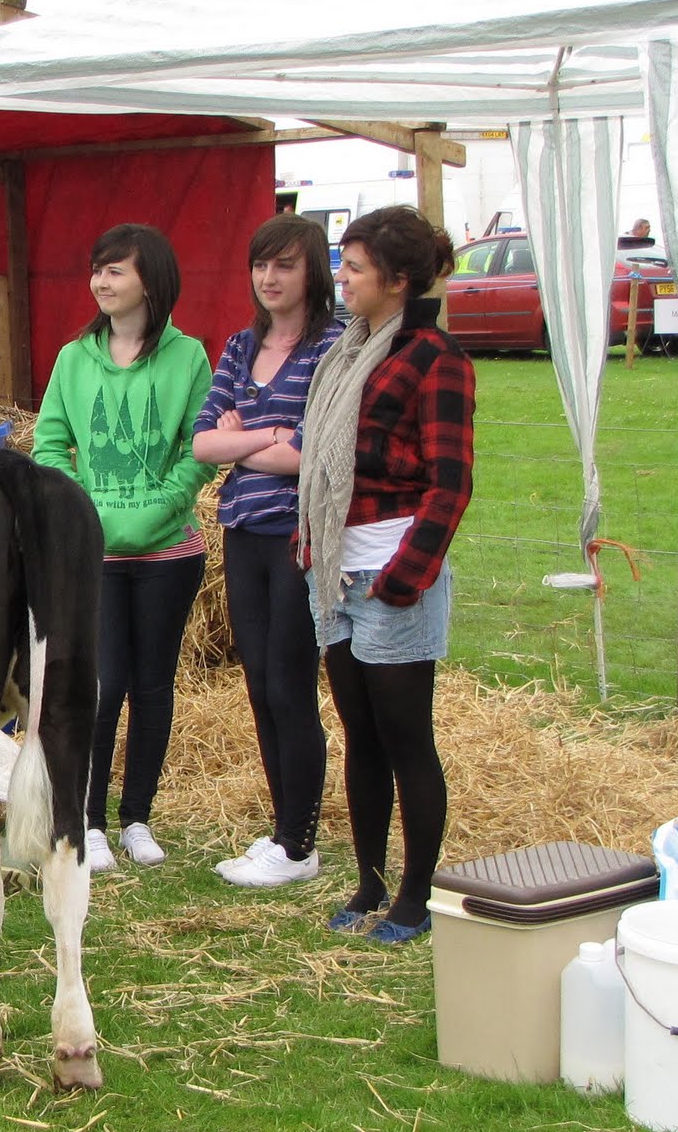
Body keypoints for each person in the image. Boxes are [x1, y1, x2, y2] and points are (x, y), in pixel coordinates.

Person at [295, 206, 473, 944]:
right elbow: (322, 463)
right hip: (336, 572)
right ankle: (368, 879)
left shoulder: (436, 360)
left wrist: (405, 577)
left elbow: (450, 483)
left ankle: (415, 895)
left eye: (356, 268)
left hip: (393, 575)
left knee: (407, 740)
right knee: (359, 735)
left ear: (398, 282)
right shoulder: (348, 353)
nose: (344, 279)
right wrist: (312, 541)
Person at [32, 223, 216, 872]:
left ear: (151, 279)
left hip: (170, 553)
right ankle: (91, 821)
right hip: (97, 557)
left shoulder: (189, 357)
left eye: (115, 270)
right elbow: (50, 447)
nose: (101, 282)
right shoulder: (73, 360)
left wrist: (166, 502)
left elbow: (202, 445)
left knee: (153, 686)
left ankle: (139, 817)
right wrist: (86, 512)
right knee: (102, 685)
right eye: (97, 270)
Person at [193, 215, 344, 887]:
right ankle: (285, 834)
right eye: (261, 265)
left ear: (312, 269)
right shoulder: (238, 346)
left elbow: (314, 449)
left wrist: (243, 434)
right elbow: (202, 443)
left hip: (298, 536)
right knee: (259, 684)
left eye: (284, 264)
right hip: (244, 531)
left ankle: (298, 842)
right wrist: (265, 436)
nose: (269, 278)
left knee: (289, 684)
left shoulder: (334, 347)